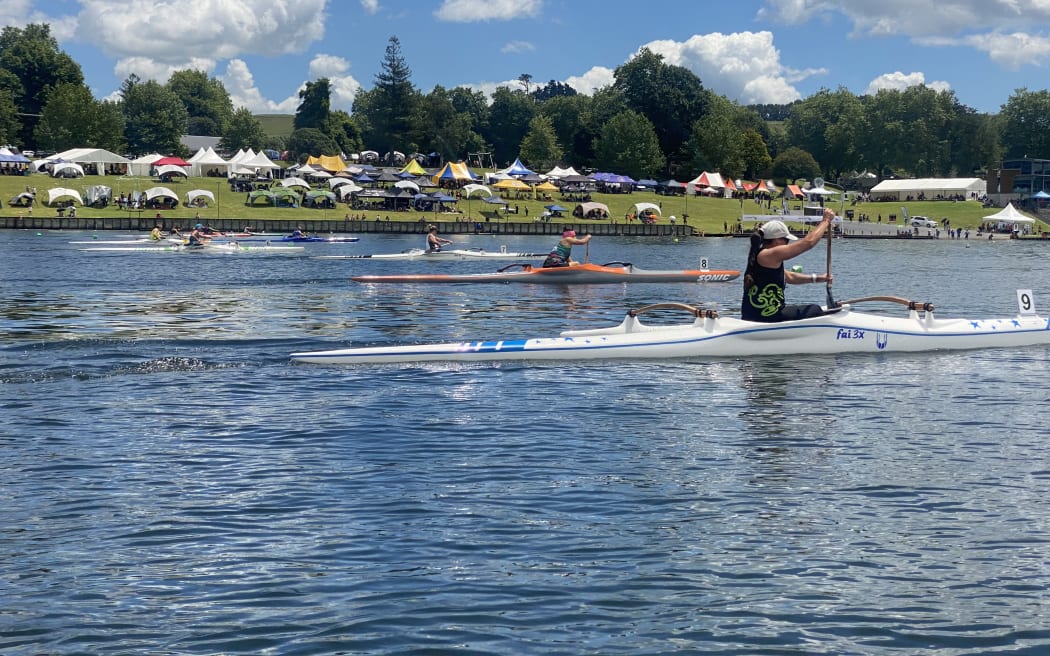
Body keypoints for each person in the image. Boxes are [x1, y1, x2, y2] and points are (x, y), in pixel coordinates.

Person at [741, 210, 835, 322]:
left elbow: (789, 277)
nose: (788, 243)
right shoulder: (768, 254)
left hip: (755, 316)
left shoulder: (761, 255)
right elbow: (808, 243)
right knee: (815, 310)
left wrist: (817, 278)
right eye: (786, 240)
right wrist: (825, 221)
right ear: (776, 240)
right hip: (768, 317)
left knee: (811, 309)